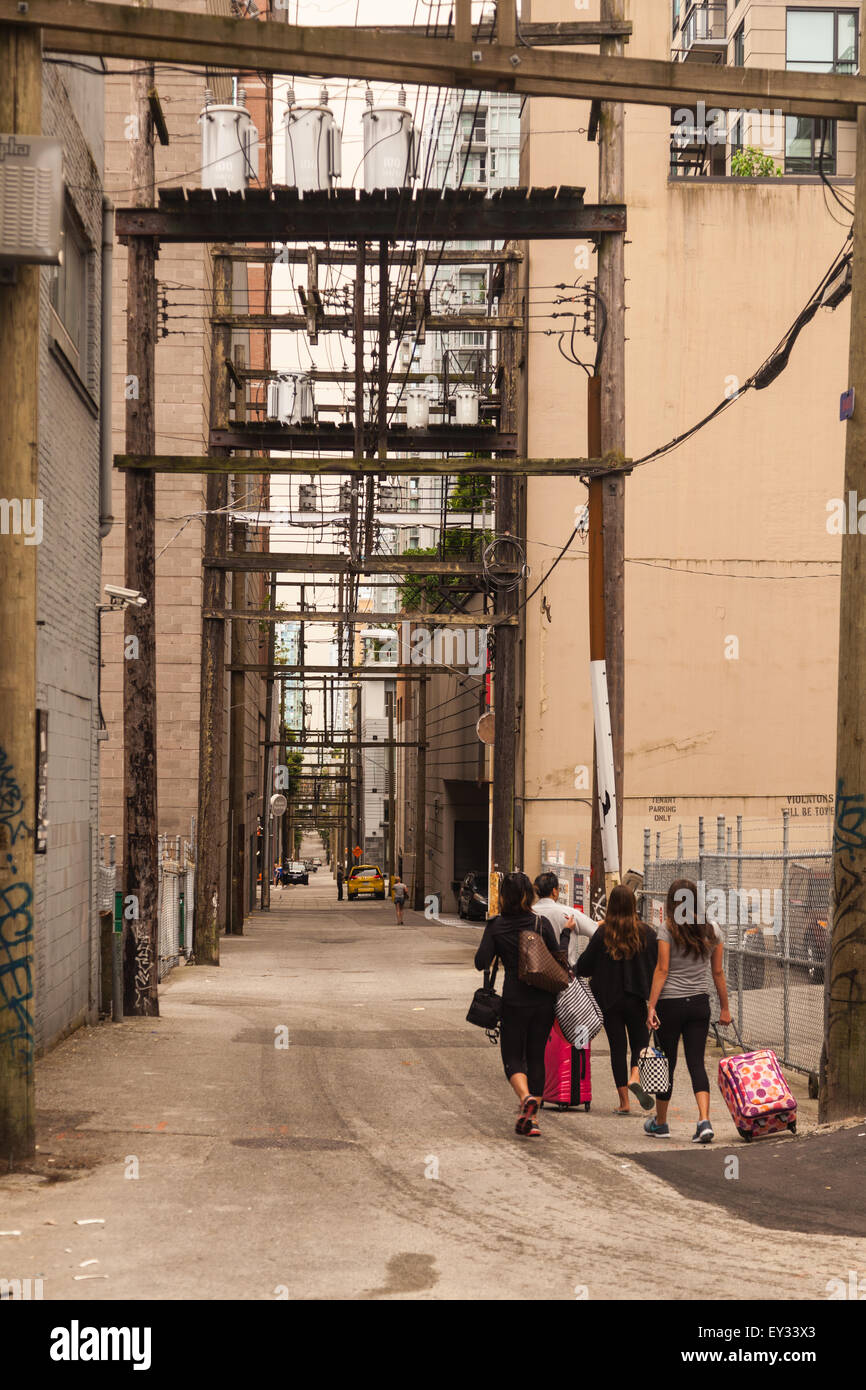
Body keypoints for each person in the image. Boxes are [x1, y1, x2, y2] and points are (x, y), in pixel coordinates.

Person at [474, 871, 565, 1138]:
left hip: (514, 1000)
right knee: (536, 1056)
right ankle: (533, 1120)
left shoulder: (497, 926)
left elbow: (481, 962)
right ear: (530, 895)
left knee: (512, 1056)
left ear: (504, 896)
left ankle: (525, 1098)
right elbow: (557, 957)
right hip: (544, 1001)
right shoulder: (541, 923)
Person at [644, 878, 732, 1143]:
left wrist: (651, 1006)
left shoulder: (667, 928)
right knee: (696, 1062)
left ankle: (661, 1123)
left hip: (669, 1004)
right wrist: (725, 1008)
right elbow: (717, 972)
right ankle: (704, 1120)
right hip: (699, 1004)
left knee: (666, 1064)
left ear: (672, 902)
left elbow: (662, 970)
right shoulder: (712, 929)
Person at [574, 884, 658, 1115]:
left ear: (610, 906)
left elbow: (584, 966)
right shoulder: (647, 933)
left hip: (610, 1001)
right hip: (637, 999)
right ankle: (635, 1076)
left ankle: (624, 1102)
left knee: (617, 1048)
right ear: (633, 905)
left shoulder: (604, 933)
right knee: (640, 1044)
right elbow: (656, 966)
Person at [532, 871, 597, 970]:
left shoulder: (530, 913)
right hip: (564, 974)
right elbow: (595, 929)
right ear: (554, 891)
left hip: (535, 973)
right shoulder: (568, 913)